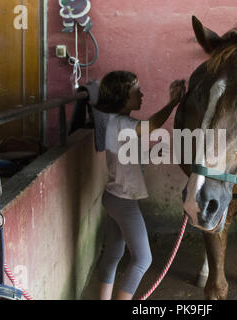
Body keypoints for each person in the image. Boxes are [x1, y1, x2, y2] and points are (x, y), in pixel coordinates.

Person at [96, 70, 186, 300]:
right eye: (136, 91)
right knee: (143, 259)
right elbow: (151, 125)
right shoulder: (122, 123)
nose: (142, 94)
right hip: (124, 202)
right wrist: (173, 102)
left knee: (113, 255)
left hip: (113, 197)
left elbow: (131, 153)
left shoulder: (114, 123)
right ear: (122, 96)